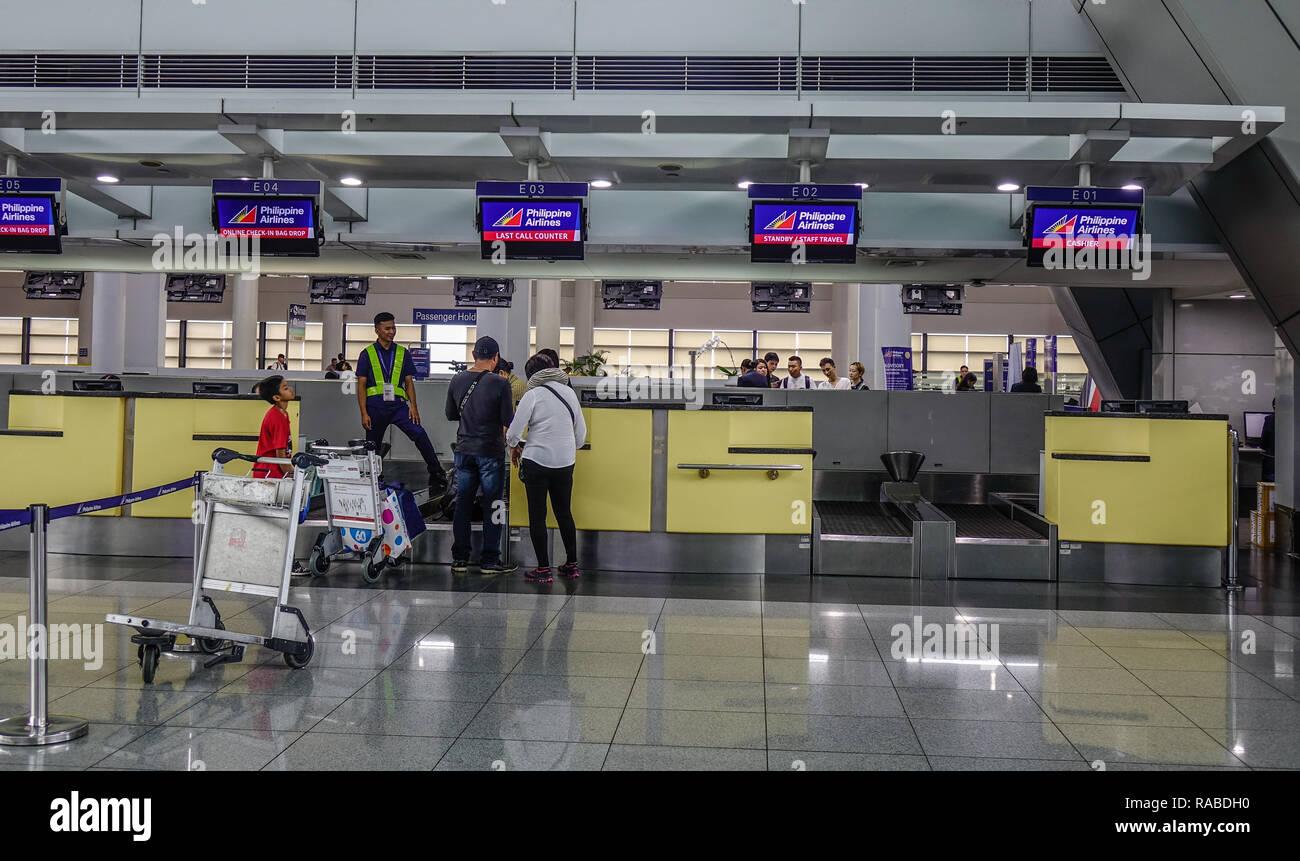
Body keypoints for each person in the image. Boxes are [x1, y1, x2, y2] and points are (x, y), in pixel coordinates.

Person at [507, 353, 587, 583]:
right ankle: (572, 565)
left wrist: (515, 445)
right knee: (564, 512)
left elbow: (513, 433)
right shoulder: (570, 393)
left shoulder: (532, 395)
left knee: (538, 516)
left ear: (532, 375)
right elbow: (580, 437)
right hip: (565, 463)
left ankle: (543, 569)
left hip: (537, 463)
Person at [445, 335, 516, 575]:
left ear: (474, 355)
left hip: (464, 451)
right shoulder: (500, 383)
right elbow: (509, 420)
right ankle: (490, 560)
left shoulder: (457, 380)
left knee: (462, 504)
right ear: (495, 358)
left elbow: (450, 414)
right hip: (490, 452)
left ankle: (460, 559)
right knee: (492, 504)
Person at [355, 312, 447, 492]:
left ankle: (436, 471)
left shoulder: (402, 353)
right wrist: (364, 413)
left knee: (419, 433)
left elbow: (409, 382)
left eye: (393, 328)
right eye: (387, 328)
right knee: (372, 446)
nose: (392, 332)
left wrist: (413, 406)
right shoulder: (367, 354)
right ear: (377, 330)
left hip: (398, 406)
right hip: (375, 407)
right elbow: (361, 385)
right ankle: (374, 477)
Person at [251, 375, 294, 479]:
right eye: (285, 388)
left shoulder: (283, 414)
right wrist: (292, 476)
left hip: (272, 472)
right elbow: (280, 456)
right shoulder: (277, 418)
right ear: (277, 397)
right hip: (270, 474)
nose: (290, 389)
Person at [1262, 397, 1276, 481]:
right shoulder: (1294, 419)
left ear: (1274, 406)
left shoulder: (1270, 419)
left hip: (1273, 466)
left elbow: (1264, 441)